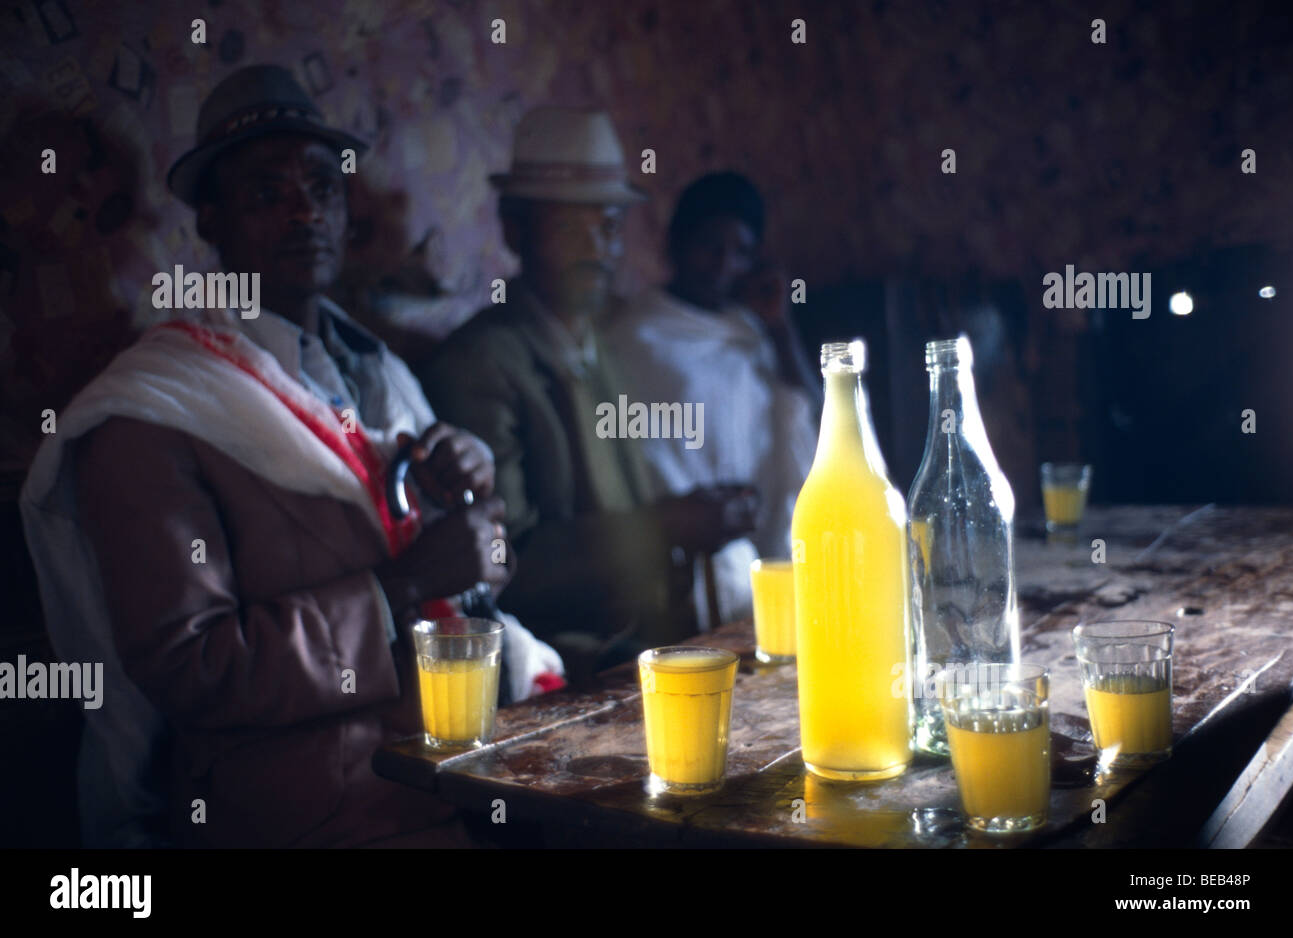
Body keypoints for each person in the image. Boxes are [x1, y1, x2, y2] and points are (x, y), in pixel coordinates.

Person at [20, 65, 558, 848]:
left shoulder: (379, 371)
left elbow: (479, 577)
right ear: (210, 221)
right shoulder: (153, 411)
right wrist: (402, 585)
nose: (307, 210)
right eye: (267, 193)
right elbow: (193, 666)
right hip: (322, 807)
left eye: (322, 186)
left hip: (463, 762)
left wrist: (475, 502)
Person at [420, 109, 758, 679]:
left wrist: (702, 515)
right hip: (559, 665)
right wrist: (665, 524)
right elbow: (507, 566)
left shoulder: (597, 348)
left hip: (643, 641)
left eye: (608, 225)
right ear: (514, 229)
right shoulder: (479, 363)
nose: (597, 246)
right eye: (569, 226)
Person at [601, 172, 819, 623]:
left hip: (771, 536)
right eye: (709, 245)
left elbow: (813, 411)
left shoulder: (751, 329)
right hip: (693, 557)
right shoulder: (636, 337)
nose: (722, 264)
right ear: (676, 244)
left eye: (740, 252)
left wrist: (779, 326)